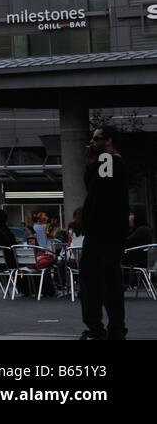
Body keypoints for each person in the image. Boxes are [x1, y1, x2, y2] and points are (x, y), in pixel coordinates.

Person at [80, 124, 128, 340]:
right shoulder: (111, 161)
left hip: (101, 234)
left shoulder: (107, 160)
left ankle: (95, 329)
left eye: (97, 139)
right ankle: (116, 328)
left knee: (92, 283)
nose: (93, 143)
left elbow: (99, 195)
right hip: (112, 234)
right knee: (111, 283)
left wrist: (91, 166)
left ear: (108, 141)